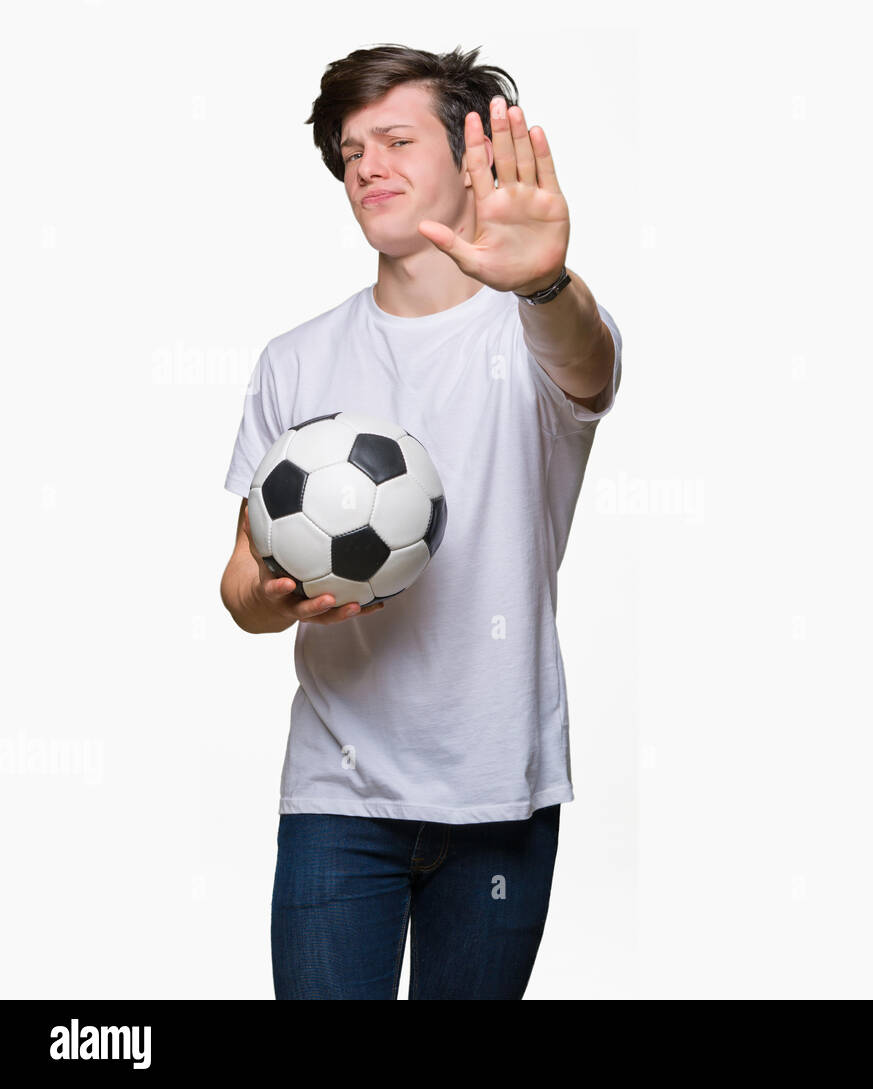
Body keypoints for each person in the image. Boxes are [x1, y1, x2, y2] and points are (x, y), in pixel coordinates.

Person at [217, 43, 622, 1000]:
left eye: (395, 139)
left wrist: (544, 282)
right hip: (337, 796)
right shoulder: (295, 359)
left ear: (469, 156)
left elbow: (591, 365)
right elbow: (237, 586)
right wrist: (274, 601)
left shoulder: (535, 329)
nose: (367, 167)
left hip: (500, 791)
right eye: (352, 151)